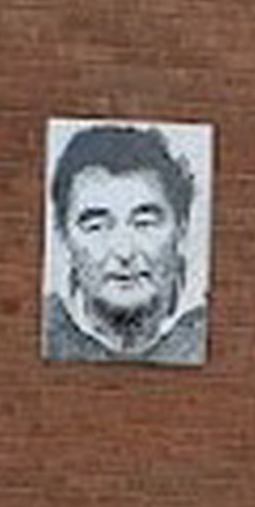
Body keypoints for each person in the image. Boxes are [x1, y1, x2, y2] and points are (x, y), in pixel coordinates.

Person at [41, 120, 209, 365]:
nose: (124, 251)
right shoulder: (45, 327)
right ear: (63, 236)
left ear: (181, 228)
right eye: (96, 227)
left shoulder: (208, 327)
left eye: (145, 223)